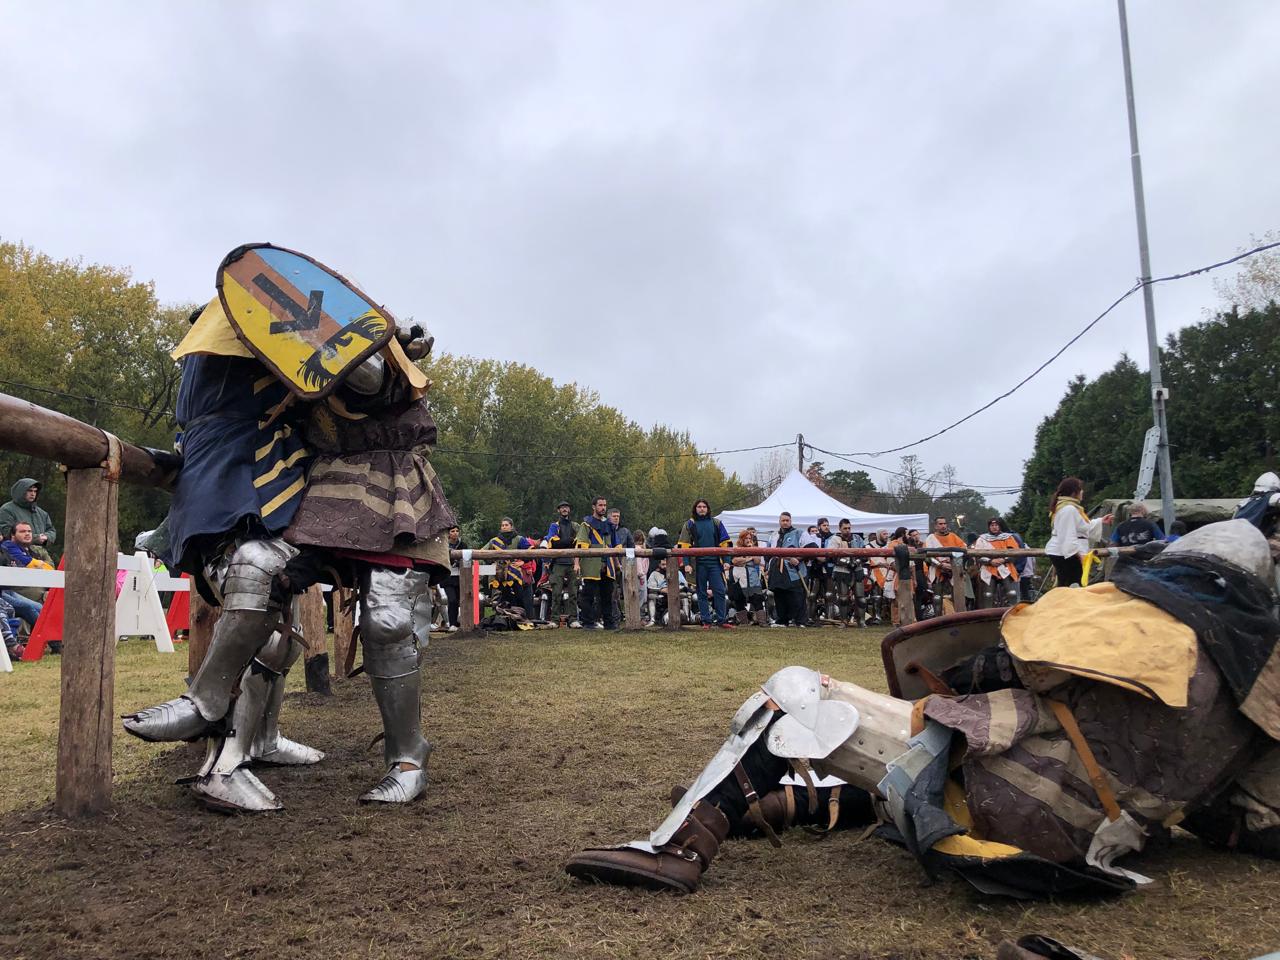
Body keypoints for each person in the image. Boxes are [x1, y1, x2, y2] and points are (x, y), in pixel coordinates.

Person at [565, 520, 1280, 900]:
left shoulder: (1137, 624)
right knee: (940, 753)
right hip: (1096, 848)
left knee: (796, 690)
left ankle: (675, 847)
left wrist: (973, 675)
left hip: (1013, 808)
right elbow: (1249, 821)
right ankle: (786, 806)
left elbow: (1000, 662)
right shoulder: (1260, 692)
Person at [121, 244, 454, 812]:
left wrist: (389, 347)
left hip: (394, 487)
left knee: (391, 620)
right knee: (267, 593)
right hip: (324, 489)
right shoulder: (260, 369)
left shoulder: (363, 355)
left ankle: (407, 757)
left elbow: (377, 381)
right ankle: (226, 730)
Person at [1044, 477, 1113, 589]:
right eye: (1080, 489)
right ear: (1074, 492)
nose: (1082, 492)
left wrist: (1100, 521)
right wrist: (1076, 553)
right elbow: (1067, 534)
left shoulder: (1070, 508)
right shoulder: (1069, 509)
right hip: (1066, 553)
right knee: (1071, 586)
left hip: (1066, 552)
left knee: (1070, 585)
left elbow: (1081, 528)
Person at [676, 499, 734, 630]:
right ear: (695, 509)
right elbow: (684, 545)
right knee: (701, 593)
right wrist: (686, 563)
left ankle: (721, 620)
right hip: (698, 565)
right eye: (699, 506)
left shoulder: (716, 523)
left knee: (719, 591)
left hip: (715, 564)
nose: (701, 509)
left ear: (707, 509)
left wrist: (726, 561)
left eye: (704, 506)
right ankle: (706, 621)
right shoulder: (689, 524)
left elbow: (726, 543)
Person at [575, 496, 619, 630]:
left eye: (604, 505)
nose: (603, 508)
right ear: (594, 507)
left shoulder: (609, 525)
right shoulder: (586, 524)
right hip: (591, 564)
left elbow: (613, 545)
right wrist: (576, 563)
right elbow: (580, 545)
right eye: (600, 505)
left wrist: (617, 563)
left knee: (607, 595)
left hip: (607, 564)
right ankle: (588, 622)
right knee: (588, 595)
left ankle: (609, 622)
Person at [485, 518, 537, 615]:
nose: (504, 527)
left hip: (515, 574)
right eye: (502, 525)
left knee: (518, 597)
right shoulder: (494, 541)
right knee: (501, 599)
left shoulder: (519, 539)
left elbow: (531, 552)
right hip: (499, 575)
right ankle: (502, 620)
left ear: (511, 526)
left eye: (506, 525)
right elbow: (482, 553)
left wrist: (523, 562)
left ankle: (519, 618)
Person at [543, 501, 580, 626]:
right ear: (559, 510)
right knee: (556, 592)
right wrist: (569, 541)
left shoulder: (575, 526)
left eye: (566, 507)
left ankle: (573, 619)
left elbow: (579, 542)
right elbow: (553, 542)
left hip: (572, 562)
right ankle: (554, 620)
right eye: (562, 507)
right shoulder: (554, 525)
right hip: (558, 562)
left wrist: (577, 562)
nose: (564, 509)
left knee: (573, 592)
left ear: (569, 510)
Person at [767, 512, 806, 627]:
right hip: (776, 568)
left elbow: (811, 548)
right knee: (779, 594)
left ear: (791, 521)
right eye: (783, 520)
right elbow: (768, 552)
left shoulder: (799, 533)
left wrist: (798, 558)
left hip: (792, 569)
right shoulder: (774, 535)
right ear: (779, 521)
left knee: (796, 595)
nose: (785, 522)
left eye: (787, 520)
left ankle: (800, 621)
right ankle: (782, 620)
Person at [2, 522, 55, 603]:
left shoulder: (38, 550)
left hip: (44, 598)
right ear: (13, 535)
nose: (27, 534)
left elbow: (51, 570)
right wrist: (39, 566)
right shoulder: (6, 549)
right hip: (20, 600)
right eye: (22, 531)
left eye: (29, 531)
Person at [973, 518, 1021, 608]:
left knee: (1011, 593)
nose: (994, 527)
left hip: (1005, 567)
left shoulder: (1007, 537)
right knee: (988, 595)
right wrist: (990, 561)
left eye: (996, 525)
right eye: (992, 525)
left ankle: (1014, 614)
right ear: (989, 527)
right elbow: (978, 555)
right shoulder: (982, 539)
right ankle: (988, 617)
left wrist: (1004, 560)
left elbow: (1014, 552)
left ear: (999, 526)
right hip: (989, 568)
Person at [0, 478, 57, 547]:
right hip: (16, 553)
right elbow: (7, 532)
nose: (33, 494)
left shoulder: (42, 513)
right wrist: (36, 538)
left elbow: (51, 530)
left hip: (40, 553)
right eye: (30, 491)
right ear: (20, 491)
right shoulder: (7, 509)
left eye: (35, 491)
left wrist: (46, 537)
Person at [729, 530, 767, 626]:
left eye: (750, 538)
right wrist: (749, 558)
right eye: (746, 538)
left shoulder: (754, 549)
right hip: (739, 577)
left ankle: (762, 622)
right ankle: (744, 623)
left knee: (757, 598)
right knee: (739, 599)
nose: (748, 540)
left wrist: (751, 551)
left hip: (752, 577)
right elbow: (735, 561)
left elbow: (757, 561)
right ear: (742, 539)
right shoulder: (736, 549)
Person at [443, 526, 467, 630]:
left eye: (457, 531)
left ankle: (460, 622)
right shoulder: (443, 545)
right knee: (452, 600)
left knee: (460, 600)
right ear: (448, 533)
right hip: (447, 577)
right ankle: (452, 623)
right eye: (453, 531)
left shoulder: (463, 545)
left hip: (460, 578)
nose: (455, 533)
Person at [633, 529, 650, 622]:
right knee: (641, 596)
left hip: (643, 574)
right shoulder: (638, 550)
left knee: (642, 596)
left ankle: (639, 616)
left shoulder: (640, 549)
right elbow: (638, 563)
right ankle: (639, 617)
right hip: (641, 576)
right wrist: (641, 575)